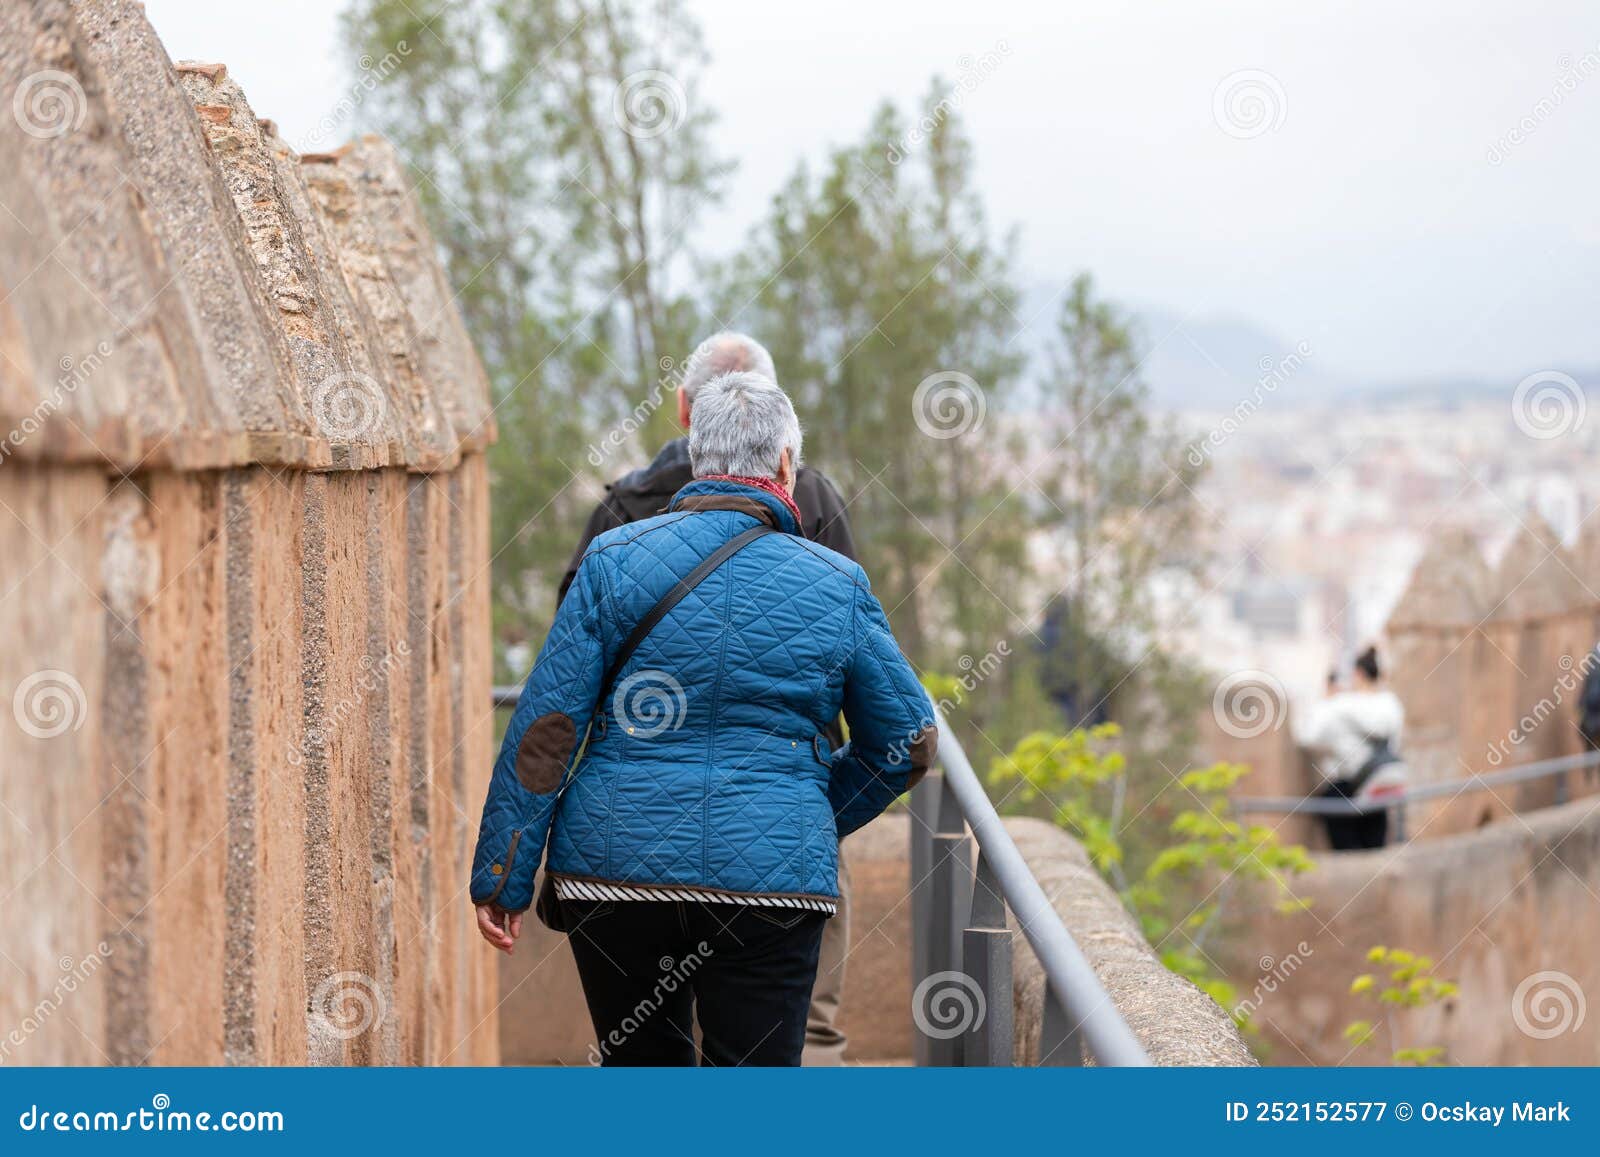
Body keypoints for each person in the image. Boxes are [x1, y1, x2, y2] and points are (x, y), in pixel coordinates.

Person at [470, 372, 936, 1066]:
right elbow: (908, 741)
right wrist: (798, 812)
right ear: (785, 464)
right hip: (769, 887)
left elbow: (546, 728)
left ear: (696, 456)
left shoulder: (611, 561)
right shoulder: (839, 583)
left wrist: (502, 873)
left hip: (614, 871)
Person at [557, 332, 860, 1065]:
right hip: (774, 821)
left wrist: (505, 863)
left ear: (686, 409)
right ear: (778, 431)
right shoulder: (812, 498)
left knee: (647, 1053)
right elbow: (875, 691)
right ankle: (816, 1051)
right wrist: (818, 799)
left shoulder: (621, 512)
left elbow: (562, 684)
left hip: (628, 829)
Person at [1298, 646, 1407, 850]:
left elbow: (1308, 737)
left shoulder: (1341, 705)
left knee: (1346, 852)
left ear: (1357, 674)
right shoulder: (1391, 704)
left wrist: (1327, 699)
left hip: (1346, 786)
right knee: (1375, 850)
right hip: (1376, 785)